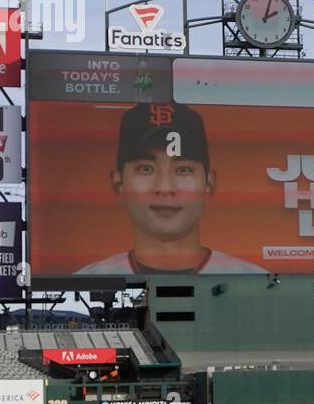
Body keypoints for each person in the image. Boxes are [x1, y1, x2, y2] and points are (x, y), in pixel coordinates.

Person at [76, 102, 267, 275]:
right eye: (146, 168)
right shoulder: (88, 279)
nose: (165, 188)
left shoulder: (253, 280)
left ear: (209, 183)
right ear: (118, 183)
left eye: (183, 169)